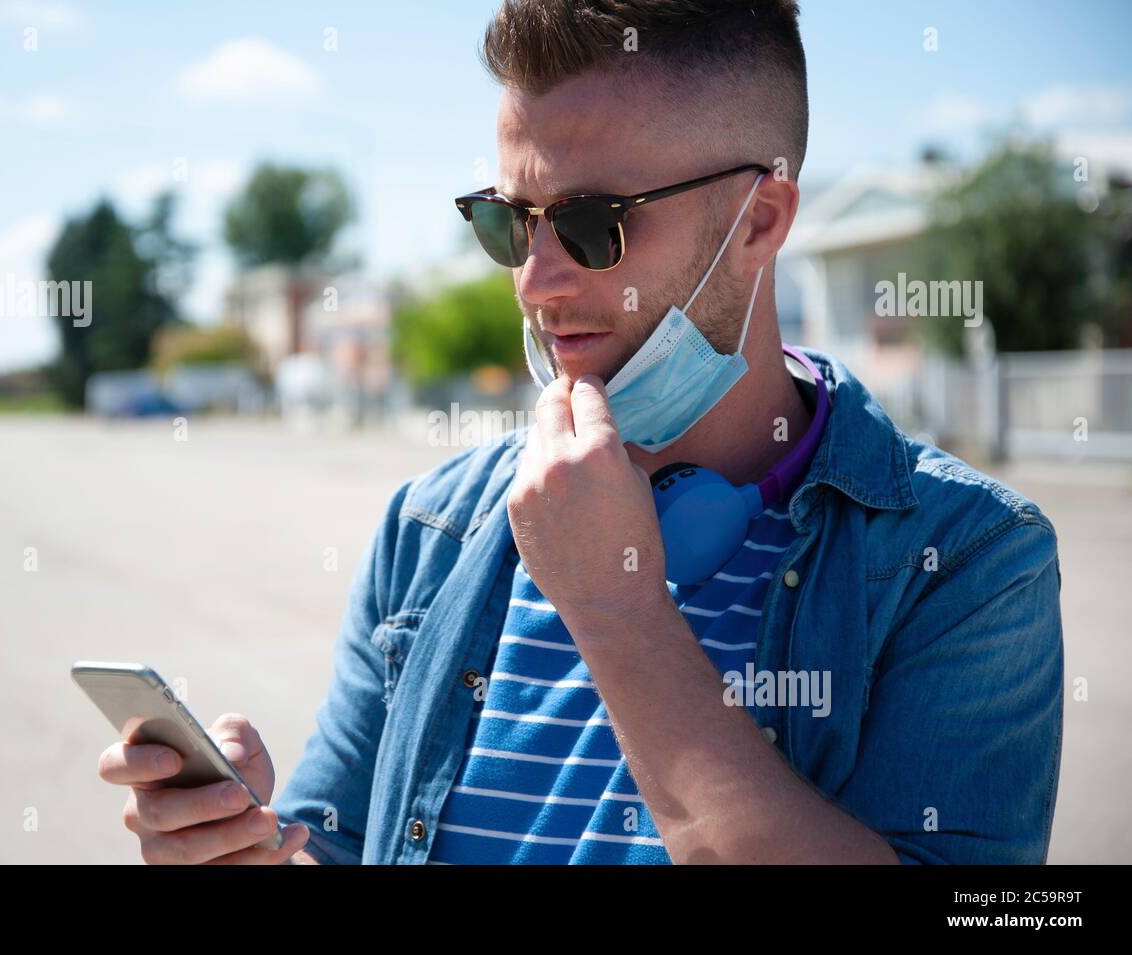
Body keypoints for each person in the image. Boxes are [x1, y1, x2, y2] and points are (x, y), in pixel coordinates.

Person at [98, 0, 1063, 865]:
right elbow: (341, 843)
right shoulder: (431, 527)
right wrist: (240, 851)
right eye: (510, 223)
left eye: (595, 223)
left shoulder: (967, 562)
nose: (535, 281)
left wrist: (618, 613)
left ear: (761, 219)